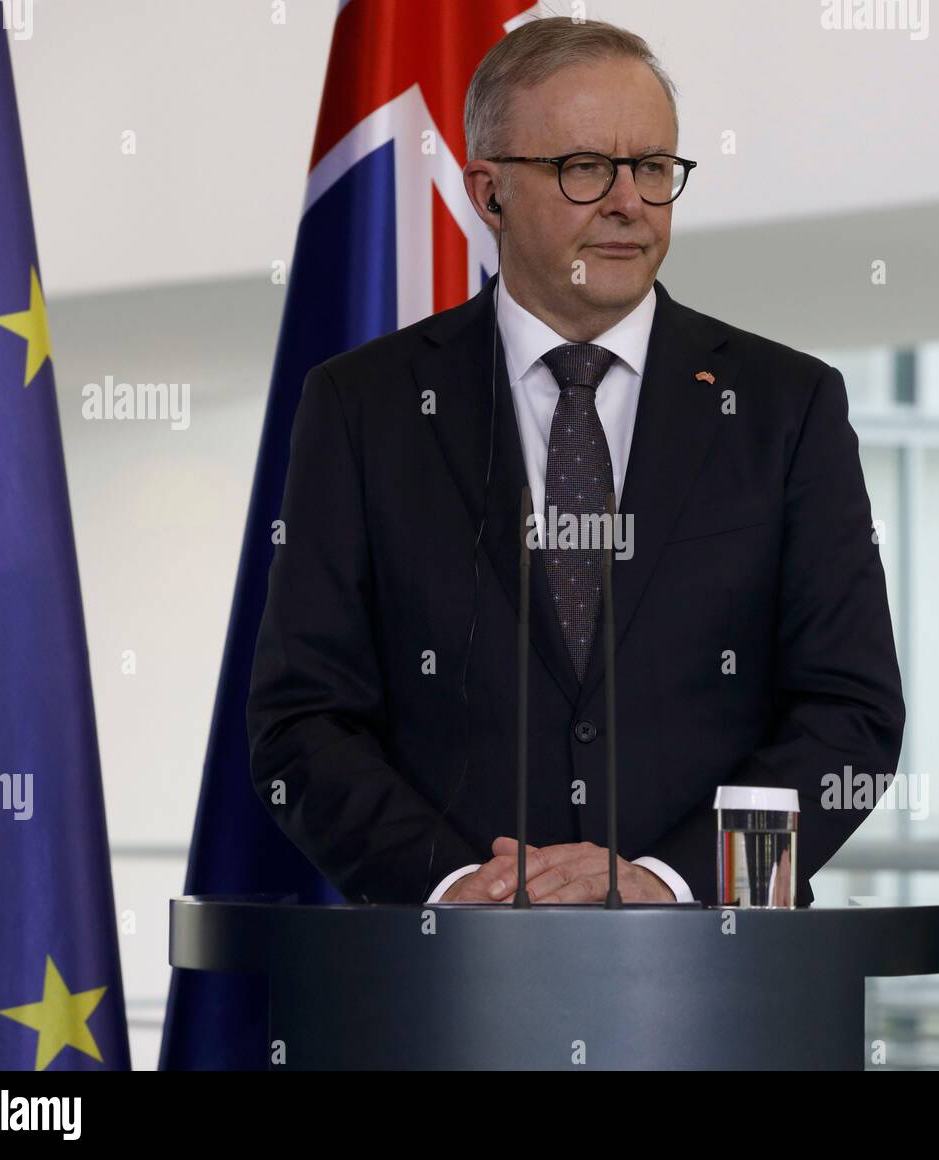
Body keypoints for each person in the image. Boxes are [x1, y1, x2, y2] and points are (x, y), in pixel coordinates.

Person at [246, 16, 905, 908]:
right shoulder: (364, 406)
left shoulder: (788, 405)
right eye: (584, 167)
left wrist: (681, 882)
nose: (629, 201)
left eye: (654, 168)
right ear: (489, 192)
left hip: (724, 964)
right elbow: (302, 720)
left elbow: (852, 717)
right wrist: (452, 885)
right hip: (447, 968)